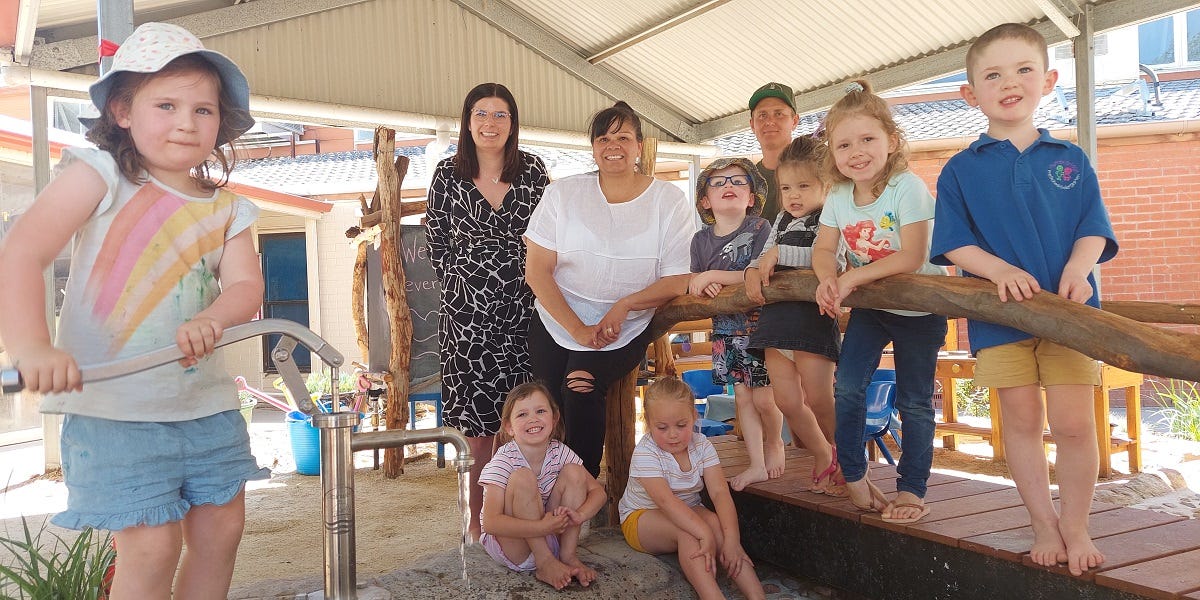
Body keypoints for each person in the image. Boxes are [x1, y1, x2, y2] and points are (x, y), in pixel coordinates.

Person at [0, 22, 265, 598]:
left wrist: (213, 318)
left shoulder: (228, 210)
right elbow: (21, 252)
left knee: (223, 530)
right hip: (116, 411)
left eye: (203, 110)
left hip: (207, 408)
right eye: (166, 104)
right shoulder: (100, 176)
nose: (186, 122)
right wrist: (32, 348)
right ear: (123, 110)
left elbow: (246, 288)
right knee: (151, 546)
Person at [930, 23, 1118, 576]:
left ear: (1049, 80)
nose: (1008, 83)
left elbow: (1093, 227)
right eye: (992, 75)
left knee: (1075, 423)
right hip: (998, 317)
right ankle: (1042, 522)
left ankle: (1078, 524)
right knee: (1018, 418)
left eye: (1023, 70)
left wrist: (1081, 268)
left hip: (1071, 316)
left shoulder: (1071, 158)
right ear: (971, 94)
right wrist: (999, 270)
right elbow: (954, 243)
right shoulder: (961, 169)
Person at [524, 101, 696, 476]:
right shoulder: (563, 194)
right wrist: (577, 328)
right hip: (558, 318)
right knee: (546, 400)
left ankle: (580, 485)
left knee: (580, 386)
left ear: (639, 145)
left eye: (623, 137)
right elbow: (537, 271)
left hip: (625, 324)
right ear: (593, 147)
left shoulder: (668, 200)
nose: (613, 145)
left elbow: (677, 278)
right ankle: (542, 486)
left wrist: (626, 305)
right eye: (603, 138)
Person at [811, 79, 949, 524]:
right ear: (832, 153)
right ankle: (852, 473)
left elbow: (911, 255)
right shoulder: (836, 195)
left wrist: (851, 278)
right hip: (872, 308)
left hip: (920, 310)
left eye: (868, 139)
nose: (857, 151)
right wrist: (828, 279)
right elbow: (822, 249)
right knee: (847, 386)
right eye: (844, 144)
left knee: (913, 401)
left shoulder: (905, 187)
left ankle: (911, 488)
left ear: (891, 141)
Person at [426, 82, 550, 542]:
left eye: (500, 115)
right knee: (477, 427)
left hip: (523, 312)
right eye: (481, 113)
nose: (490, 123)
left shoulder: (534, 171)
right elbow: (435, 240)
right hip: (466, 318)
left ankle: (524, 520)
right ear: (467, 121)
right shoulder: (447, 174)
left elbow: (551, 234)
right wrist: (465, 286)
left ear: (512, 123)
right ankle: (477, 523)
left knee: (524, 418)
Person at [744, 135, 843, 494]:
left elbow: (832, 259)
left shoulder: (831, 219)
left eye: (804, 186)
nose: (794, 195)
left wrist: (779, 256)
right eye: (786, 187)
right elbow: (763, 256)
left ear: (826, 185)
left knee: (818, 397)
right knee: (786, 400)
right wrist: (753, 270)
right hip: (776, 323)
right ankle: (822, 452)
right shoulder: (783, 220)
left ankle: (846, 455)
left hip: (811, 321)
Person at [618, 378, 765, 600]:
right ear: (648, 423)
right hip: (641, 517)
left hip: (688, 509)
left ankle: (757, 596)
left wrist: (732, 540)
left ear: (694, 417)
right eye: (662, 427)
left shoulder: (702, 445)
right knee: (688, 533)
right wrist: (703, 533)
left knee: (718, 525)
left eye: (681, 425)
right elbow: (667, 502)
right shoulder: (646, 452)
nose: (673, 434)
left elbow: (719, 493)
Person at [687, 157, 783, 491]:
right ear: (705, 200)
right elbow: (696, 279)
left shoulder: (759, 229)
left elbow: (755, 273)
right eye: (719, 182)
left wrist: (713, 276)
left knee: (764, 399)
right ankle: (756, 463)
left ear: (752, 197)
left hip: (760, 329)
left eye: (738, 181)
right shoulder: (700, 241)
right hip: (725, 331)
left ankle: (775, 443)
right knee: (743, 399)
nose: (729, 186)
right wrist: (705, 282)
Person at [478, 382, 606, 590]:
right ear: (509, 427)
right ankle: (544, 562)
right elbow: (491, 523)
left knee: (575, 472)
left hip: (550, 534)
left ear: (554, 419)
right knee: (523, 477)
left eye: (540, 411)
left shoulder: (559, 451)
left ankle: (568, 555)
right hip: (514, 546)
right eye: (522, 415)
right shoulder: (504, 460)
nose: (533, 419)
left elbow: (598, 492)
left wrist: (580, 515)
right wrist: (541, 527)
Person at [748, 82, 800, 223]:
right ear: (752, 124)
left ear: (794, 121)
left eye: (779, 114)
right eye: (762, 115)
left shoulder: (819, 171)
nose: (770, 121)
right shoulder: (745, 181)